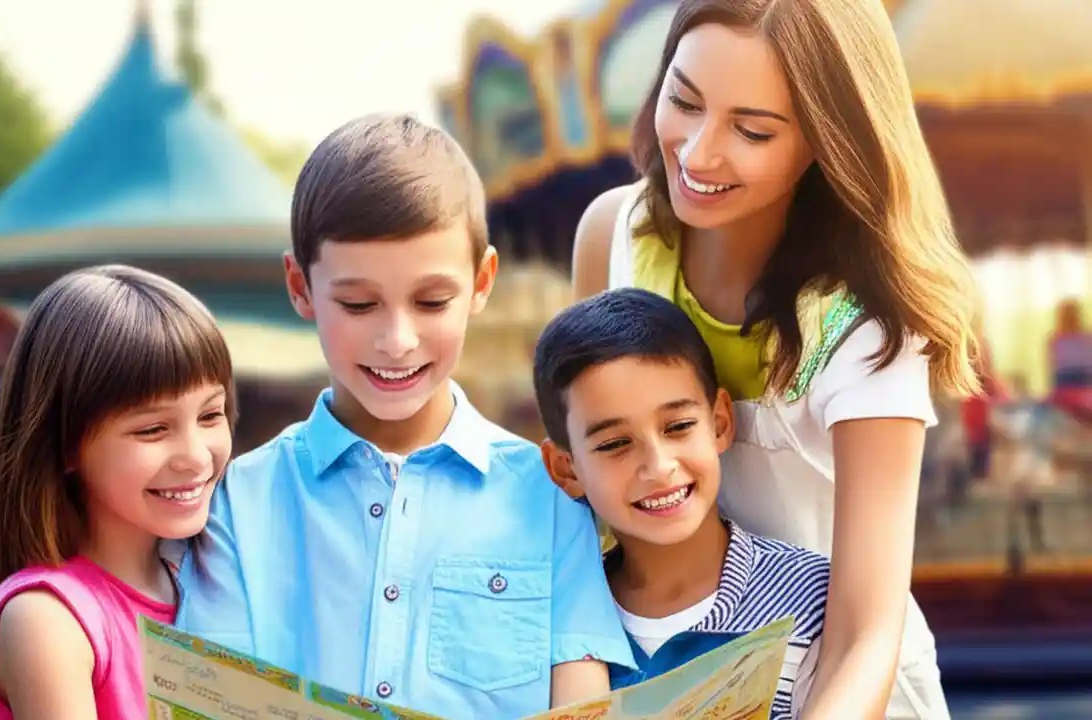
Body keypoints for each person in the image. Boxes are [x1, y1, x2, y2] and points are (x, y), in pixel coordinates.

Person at [570, 1, 979, 717]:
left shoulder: (869, 325)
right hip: (670, 671)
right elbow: (579, 496)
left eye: (752, 130)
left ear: (828, 140)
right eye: (684, 101)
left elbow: (863, 632)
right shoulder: (613, 235)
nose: (698, 154)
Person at [176, 113, 632, 718]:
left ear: (481, 282)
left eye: (431, 301)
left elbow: (583, 704)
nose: (397, 340)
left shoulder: (551, 500)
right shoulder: (238, 503)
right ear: (300, 286)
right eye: (359, 304)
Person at [534, 288, 831, 719]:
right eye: (616, 443)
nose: (658, 466)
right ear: (566, 469)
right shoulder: (550, 619)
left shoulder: (810, 597)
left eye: (678, 426)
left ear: (720, 423)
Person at [0, 265, 237, 719]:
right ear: (66, 445)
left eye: (211, 416)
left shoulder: (215, 581)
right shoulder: (48, 619)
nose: (195, 456)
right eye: (153, 429)